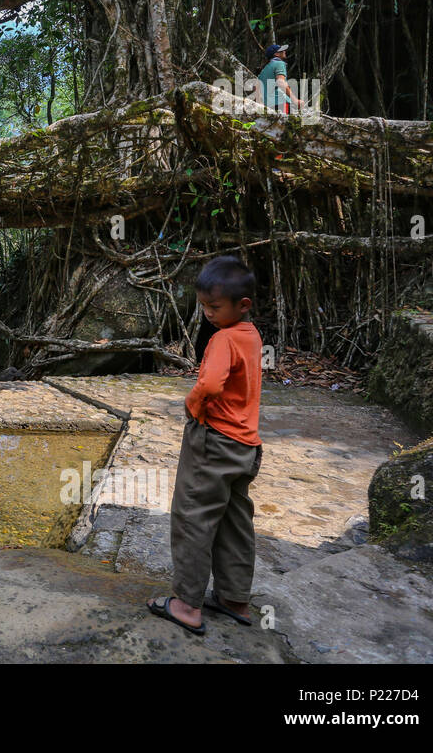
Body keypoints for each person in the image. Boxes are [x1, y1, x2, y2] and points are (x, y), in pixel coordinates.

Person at [147, 256, 264, 635]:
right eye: (204, 307)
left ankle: (186, 604)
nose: (209, 314)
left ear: (242, 304)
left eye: (215, 307)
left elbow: (211, 385)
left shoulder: (223, 339)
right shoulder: (251, 335)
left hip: (213, 442)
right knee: (234, 520)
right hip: (245, 447)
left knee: (193, 517)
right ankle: (234, 597)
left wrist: (192, 405)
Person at [258, 43, 301, 114]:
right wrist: (295, 100)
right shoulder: (279, 64)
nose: (284, 51)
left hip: (268, 106)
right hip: (281, 103)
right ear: (276, 54)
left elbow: (256, 87)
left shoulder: (264, 69)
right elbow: (280, 82)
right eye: (282, 50)